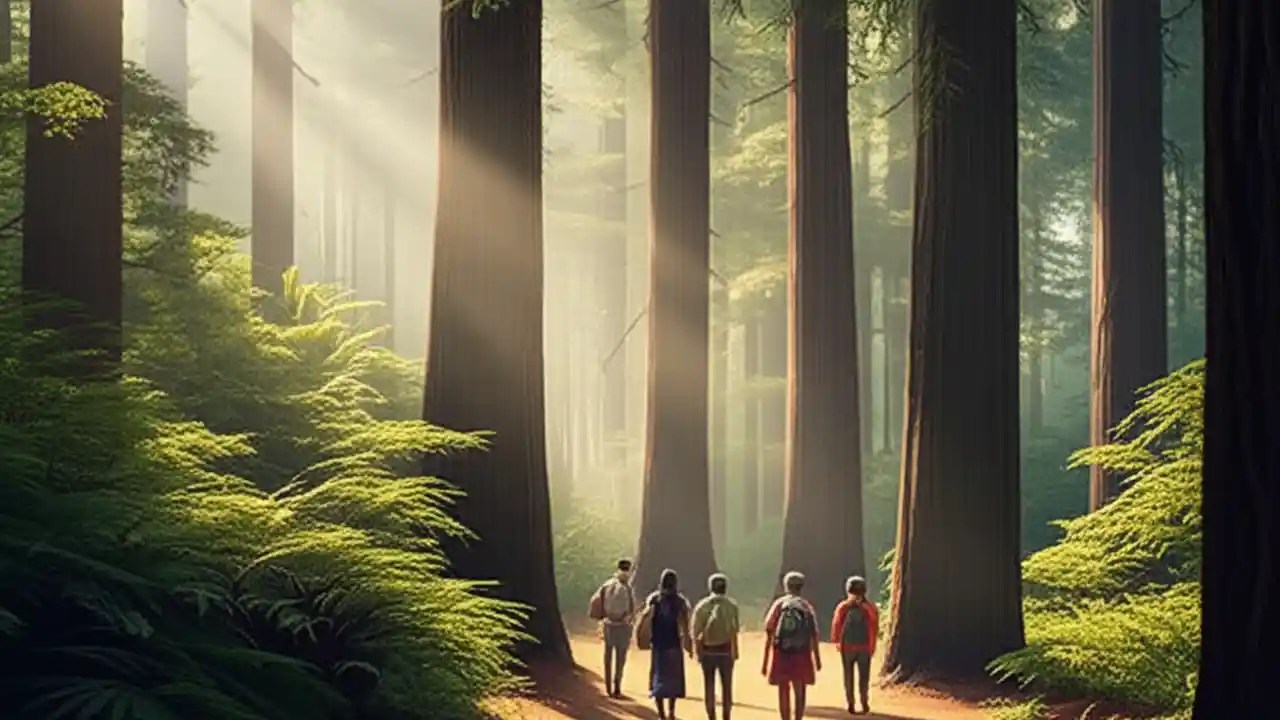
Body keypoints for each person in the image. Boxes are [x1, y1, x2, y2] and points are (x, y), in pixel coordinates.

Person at [762, 571, 821, 720]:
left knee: (783, 689)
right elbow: (813, 634)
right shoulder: (806, 606)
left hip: (781, 652)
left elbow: (769, 630)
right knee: (800, 688)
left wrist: (765, 660)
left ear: (785, 586)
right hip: (801, 652)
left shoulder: (779, 604)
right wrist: (817, 659)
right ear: (802, 587)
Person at [644, 568, 692, 719]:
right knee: (673, 679)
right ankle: (671, 712)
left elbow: (647, 620)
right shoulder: (681, 602)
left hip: (658, 645)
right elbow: (685, 625)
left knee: (659, 677)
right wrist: (688, 645)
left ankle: (661, 714)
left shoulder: (654, 599)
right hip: (674, 645)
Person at [691, 573, 740, 720]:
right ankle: (726, 715)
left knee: (709, 685)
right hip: (725, 651)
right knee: (727, 686)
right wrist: (735, 651)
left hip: (708, 651)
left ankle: (711, 715)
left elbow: (695, 631)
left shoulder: (702, 606)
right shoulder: (732, 605)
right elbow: (734, 630)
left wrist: (697, 652)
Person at [830, 576, 879, 715]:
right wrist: (872, 645)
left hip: (847, 647)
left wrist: (837, 641)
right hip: (864, 647)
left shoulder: (844, 606)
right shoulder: (869, 607)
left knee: (848, 675)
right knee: (864, 676)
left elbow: (837, 624)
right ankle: (864, 701)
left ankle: (850, 702)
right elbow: (874, 625)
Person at [592, 558, 637, 698]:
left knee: (608, 654)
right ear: (629, 570)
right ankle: (617, 685)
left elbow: (596, 601)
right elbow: (631, 609)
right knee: (620, 656)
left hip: (608, 624)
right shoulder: (627, 588)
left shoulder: (607, 585)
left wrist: (602, 617)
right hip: (622, 626)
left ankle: (608, 686)